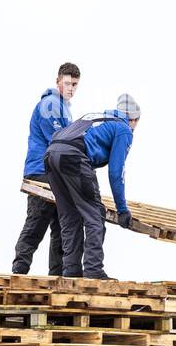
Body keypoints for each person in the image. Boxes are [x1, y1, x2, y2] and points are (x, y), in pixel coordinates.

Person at [44, 94, 139, 280]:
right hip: (73, 157)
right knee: (95, 215)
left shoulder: (94, 117)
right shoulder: (123, 129)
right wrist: (122, 210)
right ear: (133, 119)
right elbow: (116, 172)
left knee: (69, 217)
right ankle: (93, 271)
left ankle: (70, 272)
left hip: (50, 157)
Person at [12, 62, 81, 275]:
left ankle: (56, 275)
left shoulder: (63, 107)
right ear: (58, 81)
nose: (71, 88)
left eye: (75, 84)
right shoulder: (50, 104)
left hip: (55, 173)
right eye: (67, 83)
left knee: (61, 225)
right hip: (41, 172)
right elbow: (59, 140)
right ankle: (19, 272)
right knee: (37, 222)